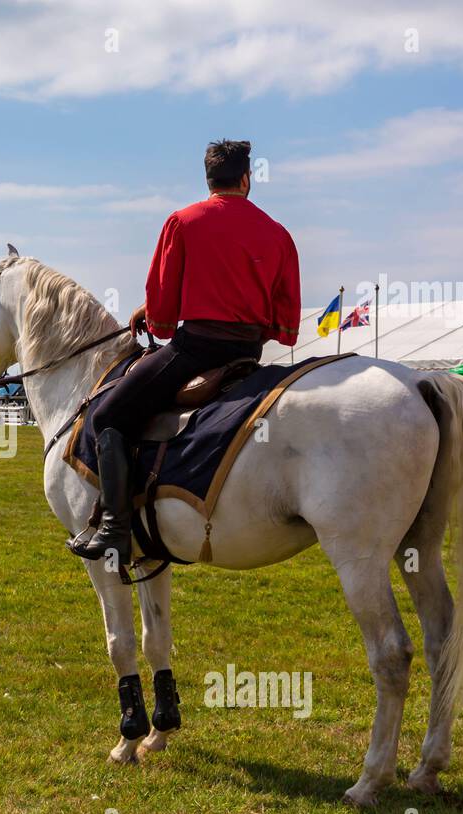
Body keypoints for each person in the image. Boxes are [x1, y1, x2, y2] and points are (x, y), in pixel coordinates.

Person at [69, 139, 302, 560]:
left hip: (195, 351)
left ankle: (116, 529)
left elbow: (161, 309)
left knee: (107, 415)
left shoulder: (183, 221)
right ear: (247, 179)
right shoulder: (279, 234)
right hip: (249, 354)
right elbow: (285, 322)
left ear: (209, 179)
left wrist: (154, 318)